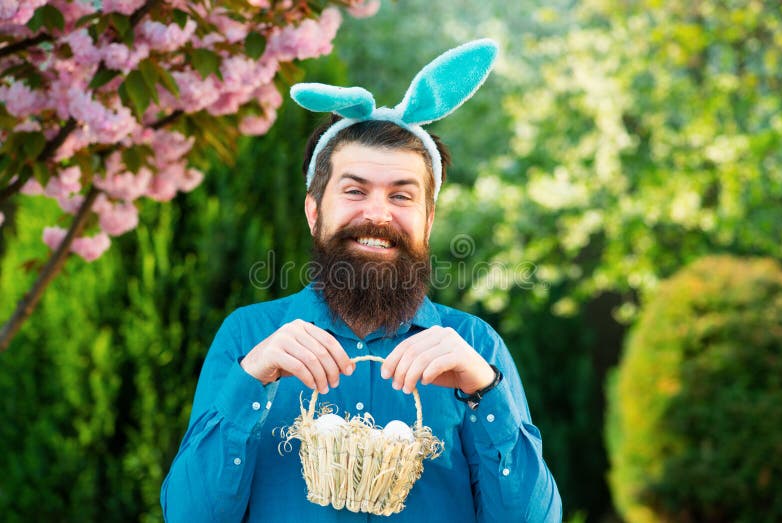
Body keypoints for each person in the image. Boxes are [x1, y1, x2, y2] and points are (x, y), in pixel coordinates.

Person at [161, 39, 561, 522]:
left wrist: (484, 390)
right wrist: (253, 377)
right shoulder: (247, 337)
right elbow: (189, 515)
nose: (377, 214)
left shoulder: (476, 348)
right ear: (314, 212)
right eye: (354, 190)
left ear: (428, 221)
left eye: (402, 196)